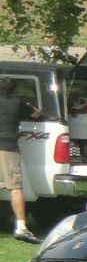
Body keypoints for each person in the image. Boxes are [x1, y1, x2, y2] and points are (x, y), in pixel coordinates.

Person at [0, 76, 41, 242]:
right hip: (7, 148)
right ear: (13, 89)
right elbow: (37, 114)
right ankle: (21, 227)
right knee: (15, 187)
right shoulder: (18, 103)